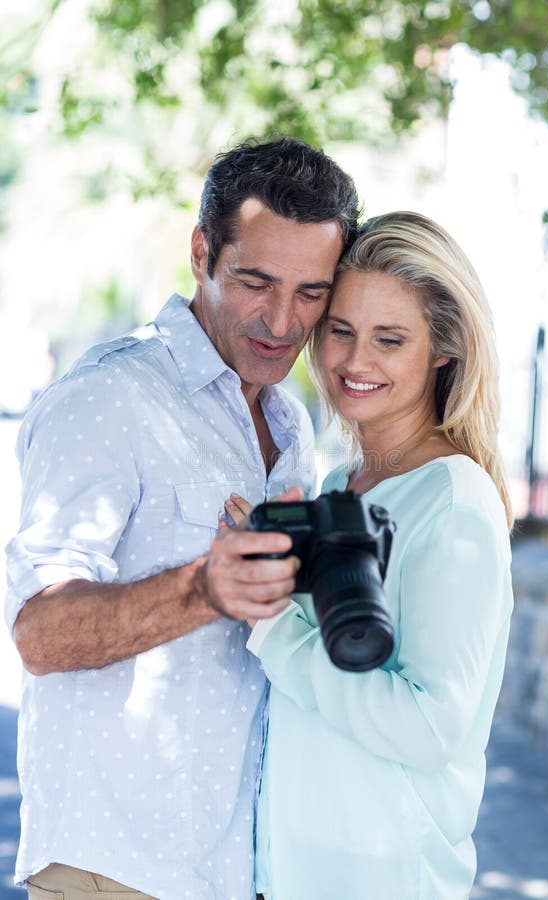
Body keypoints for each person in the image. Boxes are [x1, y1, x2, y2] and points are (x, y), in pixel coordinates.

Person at [4, 136, 359, 900]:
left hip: (232, 870)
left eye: (310, 293)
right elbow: (39, 632)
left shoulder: (293, 429)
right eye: (255, 282)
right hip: (114, 869)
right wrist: (205, 588)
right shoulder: (109, 398)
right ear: (202, 252)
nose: (281, 321)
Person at [227, 211, 514, 899]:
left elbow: (428, 727)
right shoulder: (337, 487)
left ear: (442, 349)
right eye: (342, 333)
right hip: (297, 875)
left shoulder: (454, 502)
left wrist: (270, 626)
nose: (355, 363)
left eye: (390, 340)